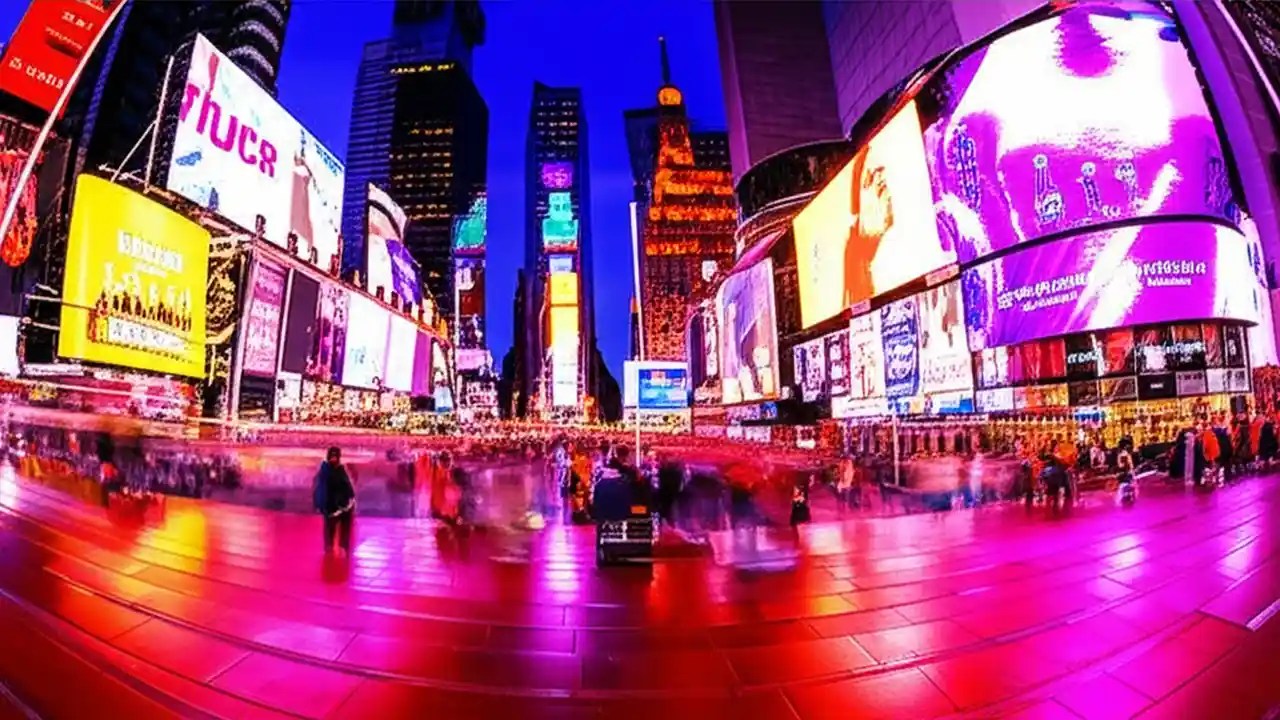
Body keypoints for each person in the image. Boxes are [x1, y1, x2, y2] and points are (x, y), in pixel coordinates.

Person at [313, 447, 355, 555]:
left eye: (336, 456)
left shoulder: (338, 469)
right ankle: (331, 546)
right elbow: (322, 487)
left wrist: (350, 498)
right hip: (332, 505)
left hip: (342, 505)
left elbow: (347, 485)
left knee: (341, 526)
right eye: (333, 456)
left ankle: (341, 546)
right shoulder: (327, 470)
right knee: (331, 526)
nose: (334, 459)